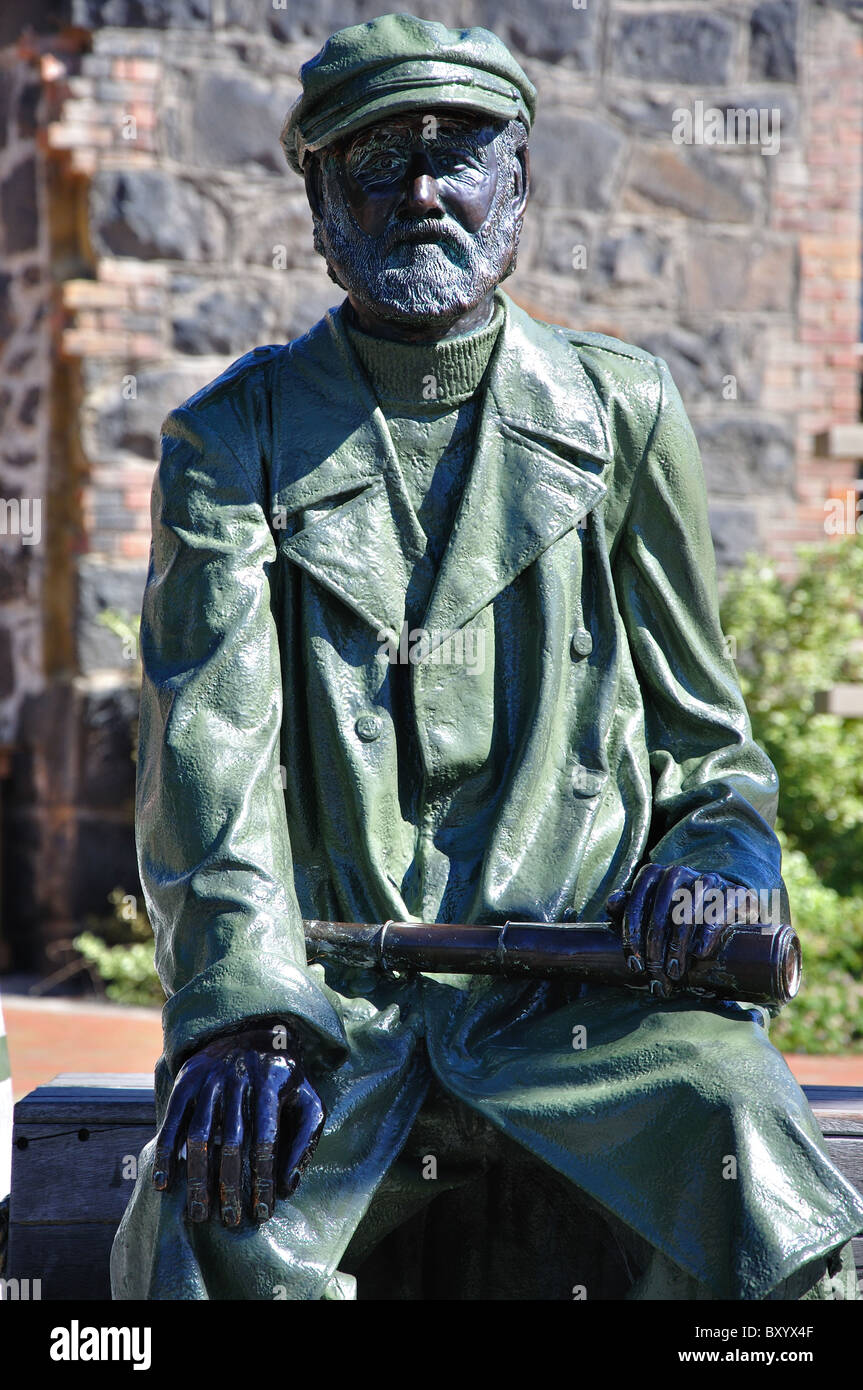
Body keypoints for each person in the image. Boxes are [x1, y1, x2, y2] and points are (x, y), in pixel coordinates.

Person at [111, 13, 863, 1300]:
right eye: (374, 159)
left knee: (766, 1188)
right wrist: (244, 1007)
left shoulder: (620, 411)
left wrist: (713, 871)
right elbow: (209, 753)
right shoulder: (231, 441)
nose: (420, 189)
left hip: (580, 1008)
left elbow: (706, 748)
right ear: (318, 199)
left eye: (457, 153)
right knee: (210, 1222)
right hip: (332, 1012)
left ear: (516, 183)